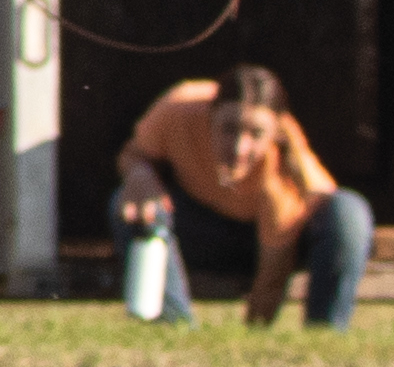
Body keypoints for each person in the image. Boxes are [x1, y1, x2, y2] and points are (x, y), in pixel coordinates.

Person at [116, 63, 371, 329]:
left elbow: (272, 278)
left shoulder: (283, 169)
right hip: (194, 232)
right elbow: (134, 155)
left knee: (348, 211)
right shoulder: (179, 108)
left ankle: (324, 333)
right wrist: (141, 177)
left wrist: (253, 337)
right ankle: (174, 328)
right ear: (210, 115)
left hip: (272, 247)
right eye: (229, 129)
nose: (239, 147)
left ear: (276, 132)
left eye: (256, 134)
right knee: (129, 201)